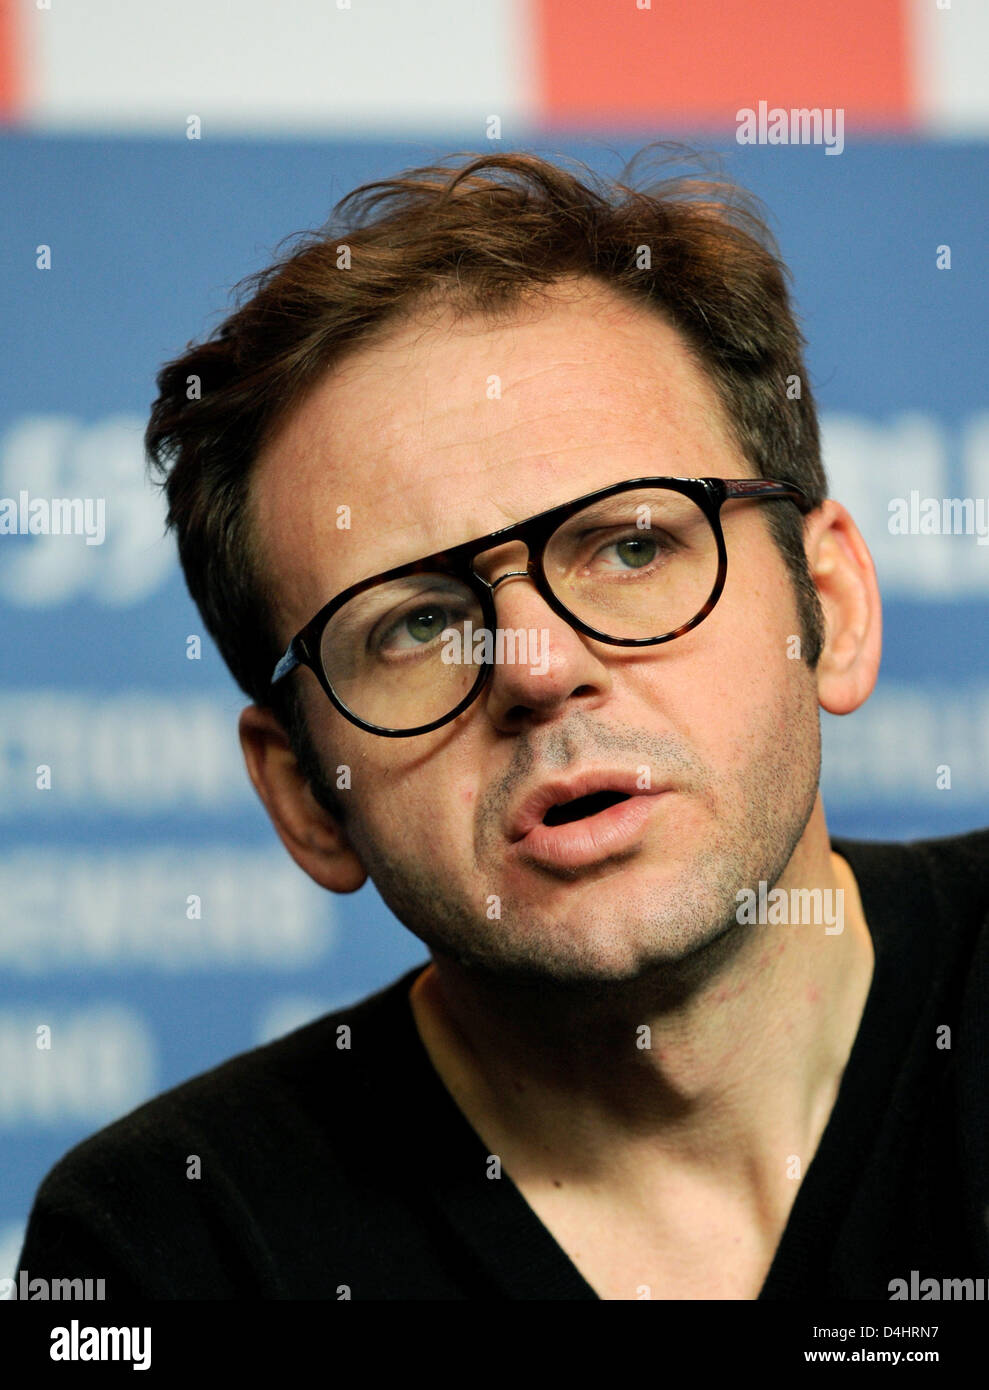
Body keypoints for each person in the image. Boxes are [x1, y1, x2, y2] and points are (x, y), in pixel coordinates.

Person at [16, 150, 988, 1300]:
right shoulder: (169, 1247)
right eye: (415, 623)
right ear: (302, 795)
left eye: (632, 545)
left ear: (826, 604)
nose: (533, 664)